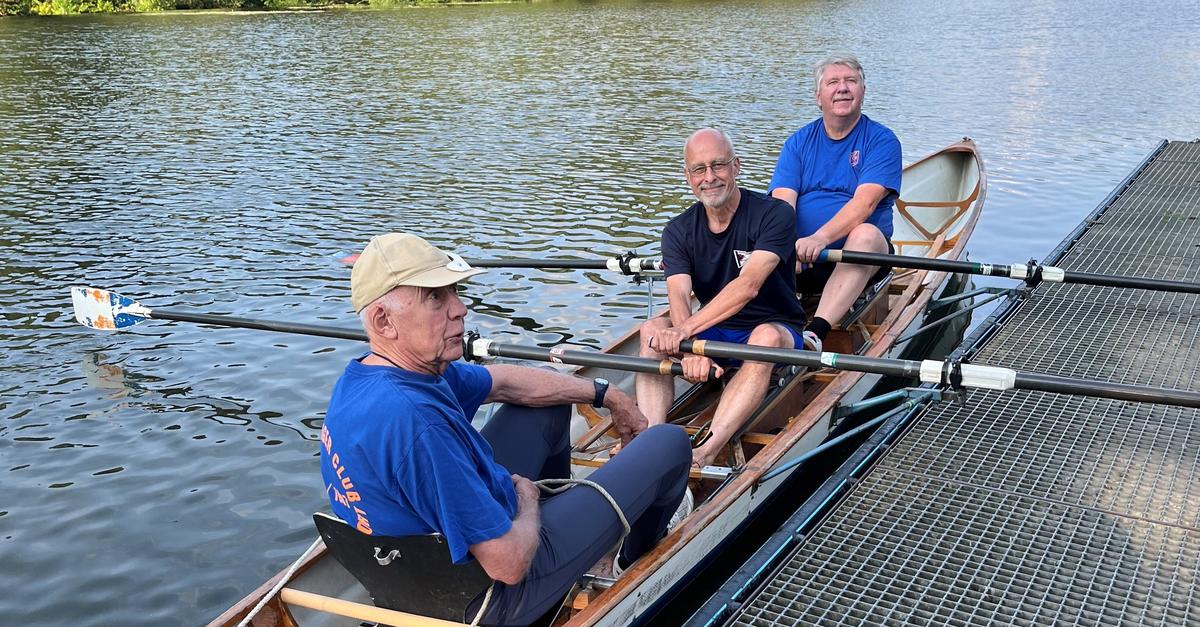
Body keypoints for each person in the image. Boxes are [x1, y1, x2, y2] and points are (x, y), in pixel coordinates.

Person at [320, 233, 691, 625]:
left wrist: (608, 394)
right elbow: (508, 565)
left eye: (454, 292)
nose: (460, 308)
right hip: (491, 595)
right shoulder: (418, 422)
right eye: (435, 297)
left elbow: (502, 381)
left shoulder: (376, 377)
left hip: (414, 568)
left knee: (545, 401)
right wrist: (529, 502)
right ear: (383, 320)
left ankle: (564, 546)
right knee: (668, 444)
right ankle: (631, 561)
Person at [636, 128, 807, 469]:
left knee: (766, 337)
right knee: (651, 331)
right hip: (715, 330)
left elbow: (748, 286)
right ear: (688, 177)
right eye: (699, 169)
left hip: (775, 328)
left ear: (737, 166)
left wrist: (686, 338)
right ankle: (650, 441)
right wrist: (690, 345)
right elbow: (679, 293)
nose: (709, 178)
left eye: (719, 165)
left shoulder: (774, 215)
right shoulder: (678, 230)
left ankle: (707, 450)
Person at [768, 54, 903, 351]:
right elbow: (782, 204)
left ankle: (816, 332)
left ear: (863, 92)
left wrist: (819, 238)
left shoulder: (882, 141)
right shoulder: (798, 142)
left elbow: (864, 206)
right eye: (833, 82)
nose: (842, 88)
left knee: (865, 235)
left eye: (850, 81)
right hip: (801, 260)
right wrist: (788, 246)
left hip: (859, 259)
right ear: (819, 97)